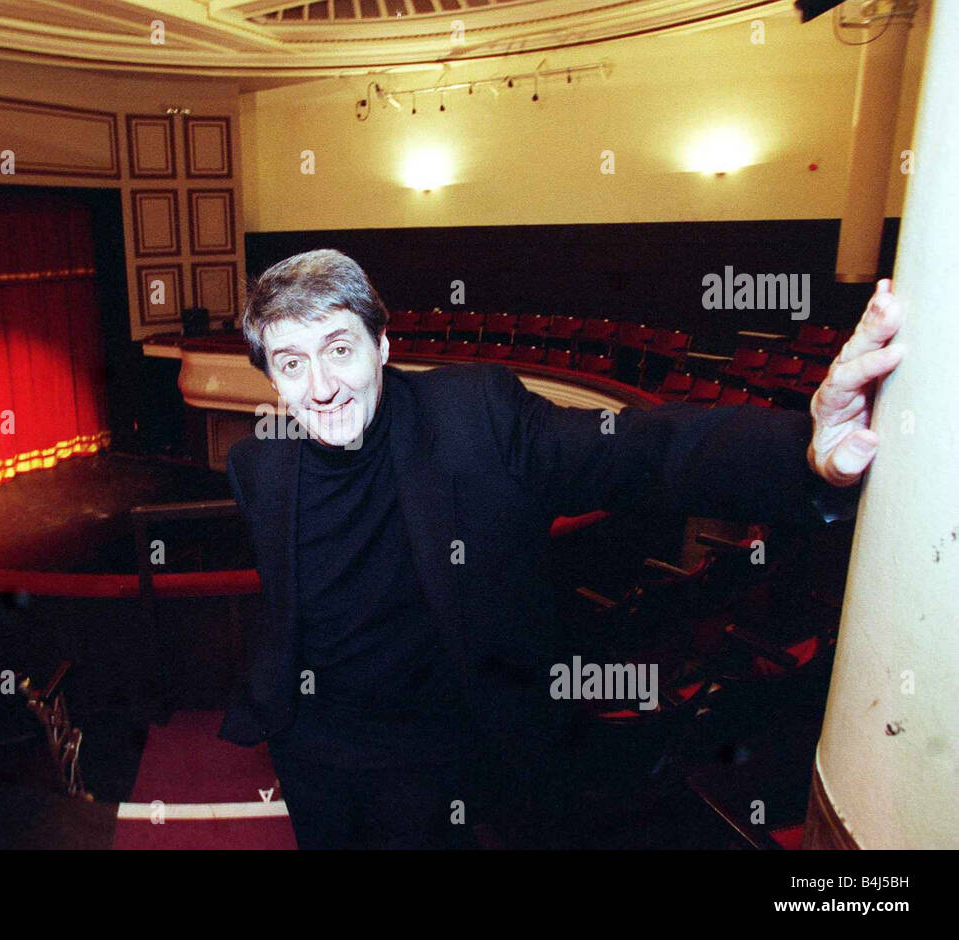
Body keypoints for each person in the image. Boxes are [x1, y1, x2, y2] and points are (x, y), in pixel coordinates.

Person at [219, 248, 905, 849]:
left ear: (383, 347)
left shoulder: (475, 419)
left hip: (442, 754)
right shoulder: (259, 467)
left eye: (339, 349)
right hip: (312, 751)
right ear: (272, 379)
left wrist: (804, 453)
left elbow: (645, 452)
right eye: (291, 362)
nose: (321, 386)